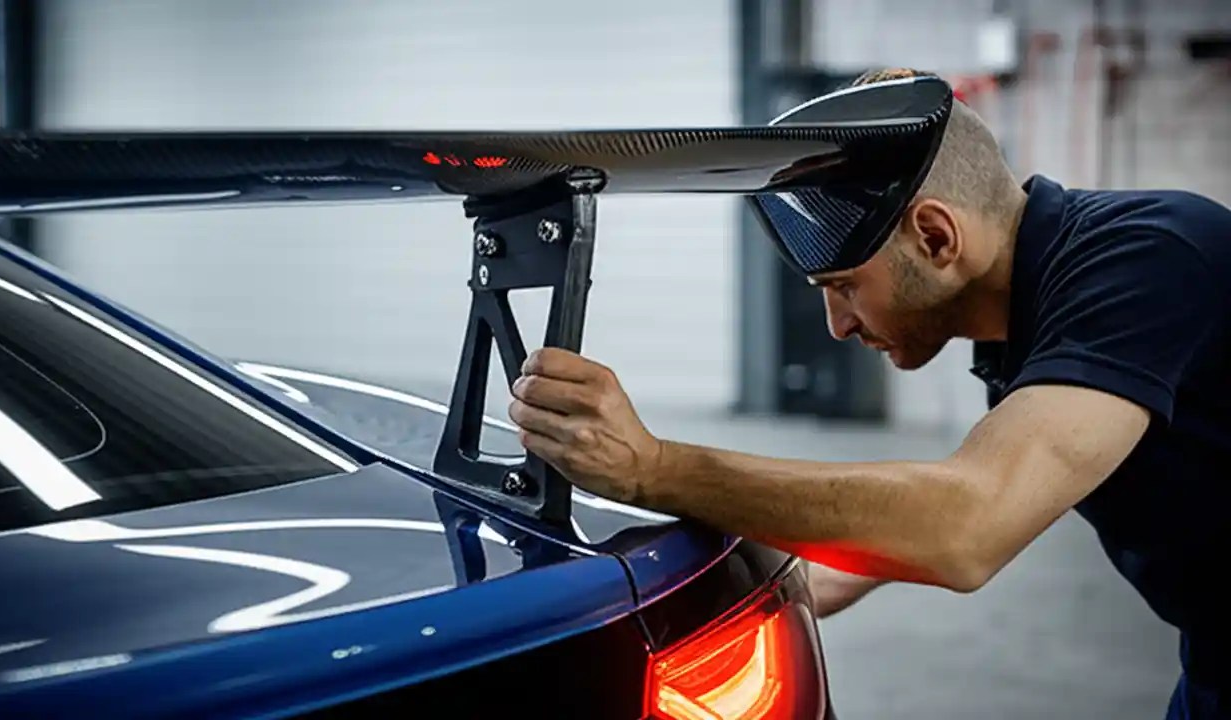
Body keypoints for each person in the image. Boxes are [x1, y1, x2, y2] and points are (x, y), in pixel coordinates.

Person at [506, 67, 1231, 718]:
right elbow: (930, 524)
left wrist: (655, 469)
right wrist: (812, 573)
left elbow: (965, 528)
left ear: (938, 239)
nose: (839, 324)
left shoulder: (1153, 256)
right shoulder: (1037, 320)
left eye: (844, 286)